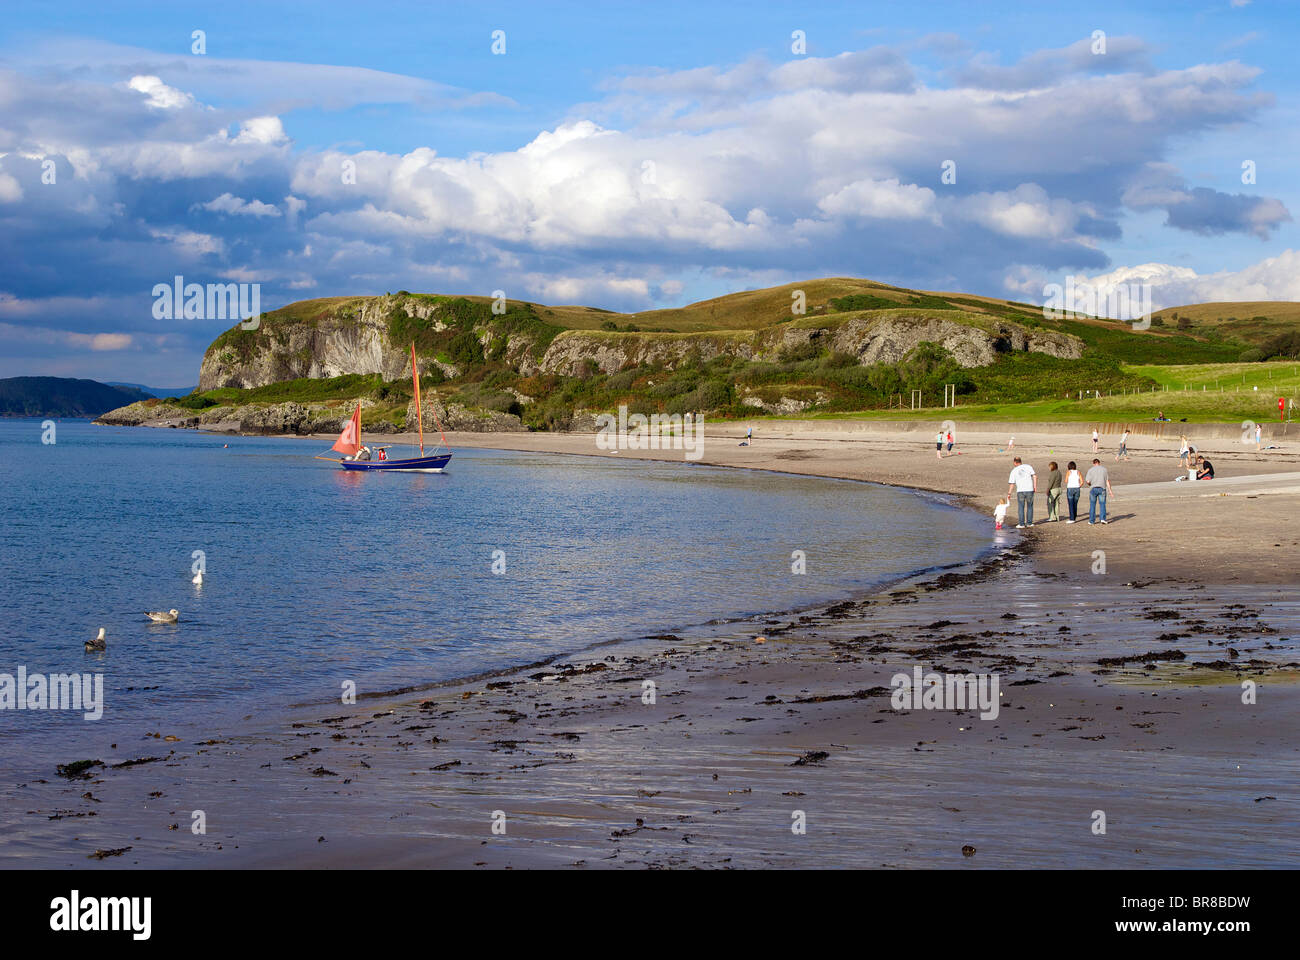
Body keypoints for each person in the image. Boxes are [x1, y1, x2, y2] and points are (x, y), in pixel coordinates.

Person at [1007, 456, 1037, 528]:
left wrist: (1009, 493)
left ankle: (1021, 524)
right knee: (1030, 506)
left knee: (1021, 507)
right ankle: (1029, 523)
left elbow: (1012, 483)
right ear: (1020, 461)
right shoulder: (1028, 466)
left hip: (1020, 490)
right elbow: (1035, 476)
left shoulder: (1014, 470)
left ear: (1015, 462)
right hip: (1029, 489)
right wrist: (1035, 486)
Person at [1085, 458, 1114, 525]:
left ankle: (1092, 521)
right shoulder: (1104, 469)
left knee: (1092, 505)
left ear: (1093, 463)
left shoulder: (1090, 470)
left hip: (1093, 488)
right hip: (1102, 488)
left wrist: (1090, 484)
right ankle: (1103, 519)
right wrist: (1110, 491)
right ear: (1099, 463)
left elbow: (1088, 481)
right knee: (1102, 504)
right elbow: (1107, 481)